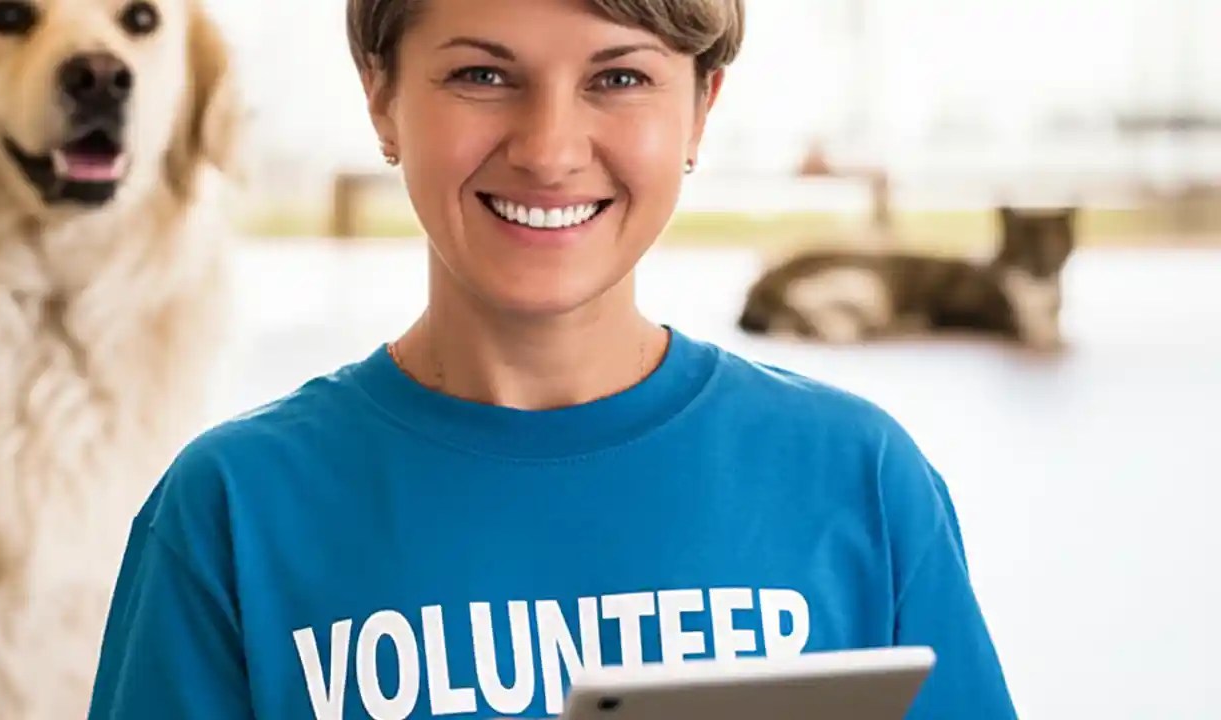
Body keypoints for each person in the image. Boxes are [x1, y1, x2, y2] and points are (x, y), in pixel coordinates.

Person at [87, 0, 1017, 718]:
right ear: (381, 95)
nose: (548, 150)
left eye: (619, 78)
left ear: (701, 110)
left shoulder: (859, 482)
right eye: (483, 75)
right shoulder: (233, 510)